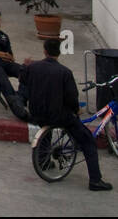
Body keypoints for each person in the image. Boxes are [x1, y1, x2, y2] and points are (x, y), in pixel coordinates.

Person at [21, 37, 111, 191]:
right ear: (59, 52)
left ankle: (44, 160)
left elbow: (23, 80)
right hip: (58, 115)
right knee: (88, 141)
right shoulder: (64, 72)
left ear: (45, 50)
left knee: (46, 132)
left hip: (37, 113)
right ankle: (95, 180)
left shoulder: (33, 67)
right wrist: (77, 110)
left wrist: (25, 66)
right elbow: (71, 98)